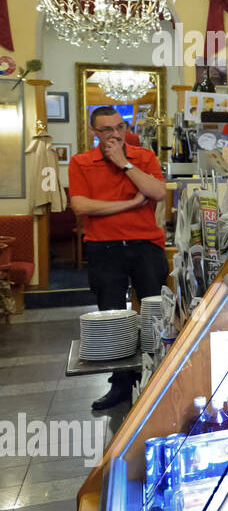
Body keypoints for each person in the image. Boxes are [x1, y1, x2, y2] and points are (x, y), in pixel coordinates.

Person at [68, 108, 169, 410]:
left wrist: (124, 164)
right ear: (94, 133)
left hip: (145, 246)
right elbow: (80, 206)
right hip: (104, 248)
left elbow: (158, 192)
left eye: (119, 128)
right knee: (111, 317)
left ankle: (159, 378)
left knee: (156, 313)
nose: (114, 135)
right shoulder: (81, 162)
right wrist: (130, 204)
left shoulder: (143, 158)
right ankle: (122, 385)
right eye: (106, 130)